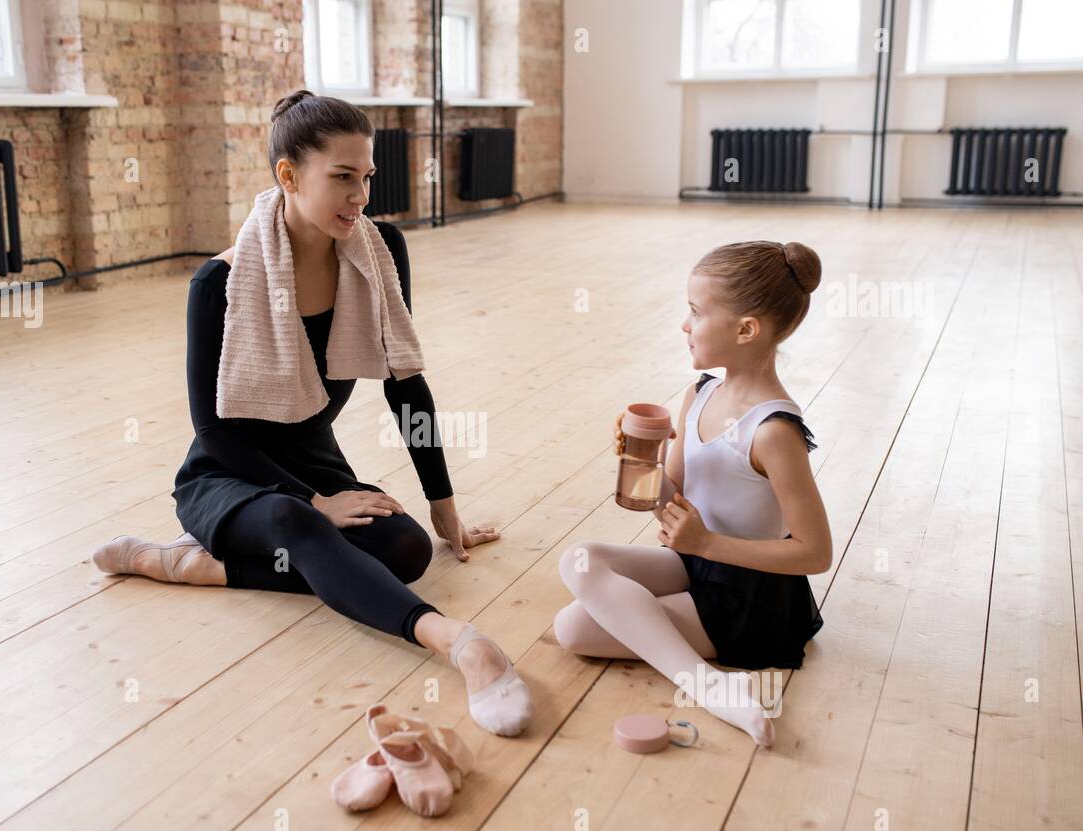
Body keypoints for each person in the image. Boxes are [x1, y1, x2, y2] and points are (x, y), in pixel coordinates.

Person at [92, 90, 532, 737]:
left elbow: (405, 386)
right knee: (293, 517)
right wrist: (313, 501)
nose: (360, 197)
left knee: (406, 548)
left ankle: (196, 566)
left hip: (313, 460)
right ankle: (461, 644)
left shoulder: (379, 253)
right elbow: (212, 430)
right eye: (343, 178)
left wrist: (443, 509)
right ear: (289, 176)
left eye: (367, 178)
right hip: (227, 473)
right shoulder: (217, 283)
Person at [554, 240, 832, 748]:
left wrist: (706, 544)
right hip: (695, 563)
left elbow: (815, 553)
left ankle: (709, 686)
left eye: (696, 312)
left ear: (746, 330)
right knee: (576, 574)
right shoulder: (699, 394)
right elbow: (673, 498)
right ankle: (699, 669)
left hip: (750, 595)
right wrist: (638, 462)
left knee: (578, 627)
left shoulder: (772, 431)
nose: (685, 325)